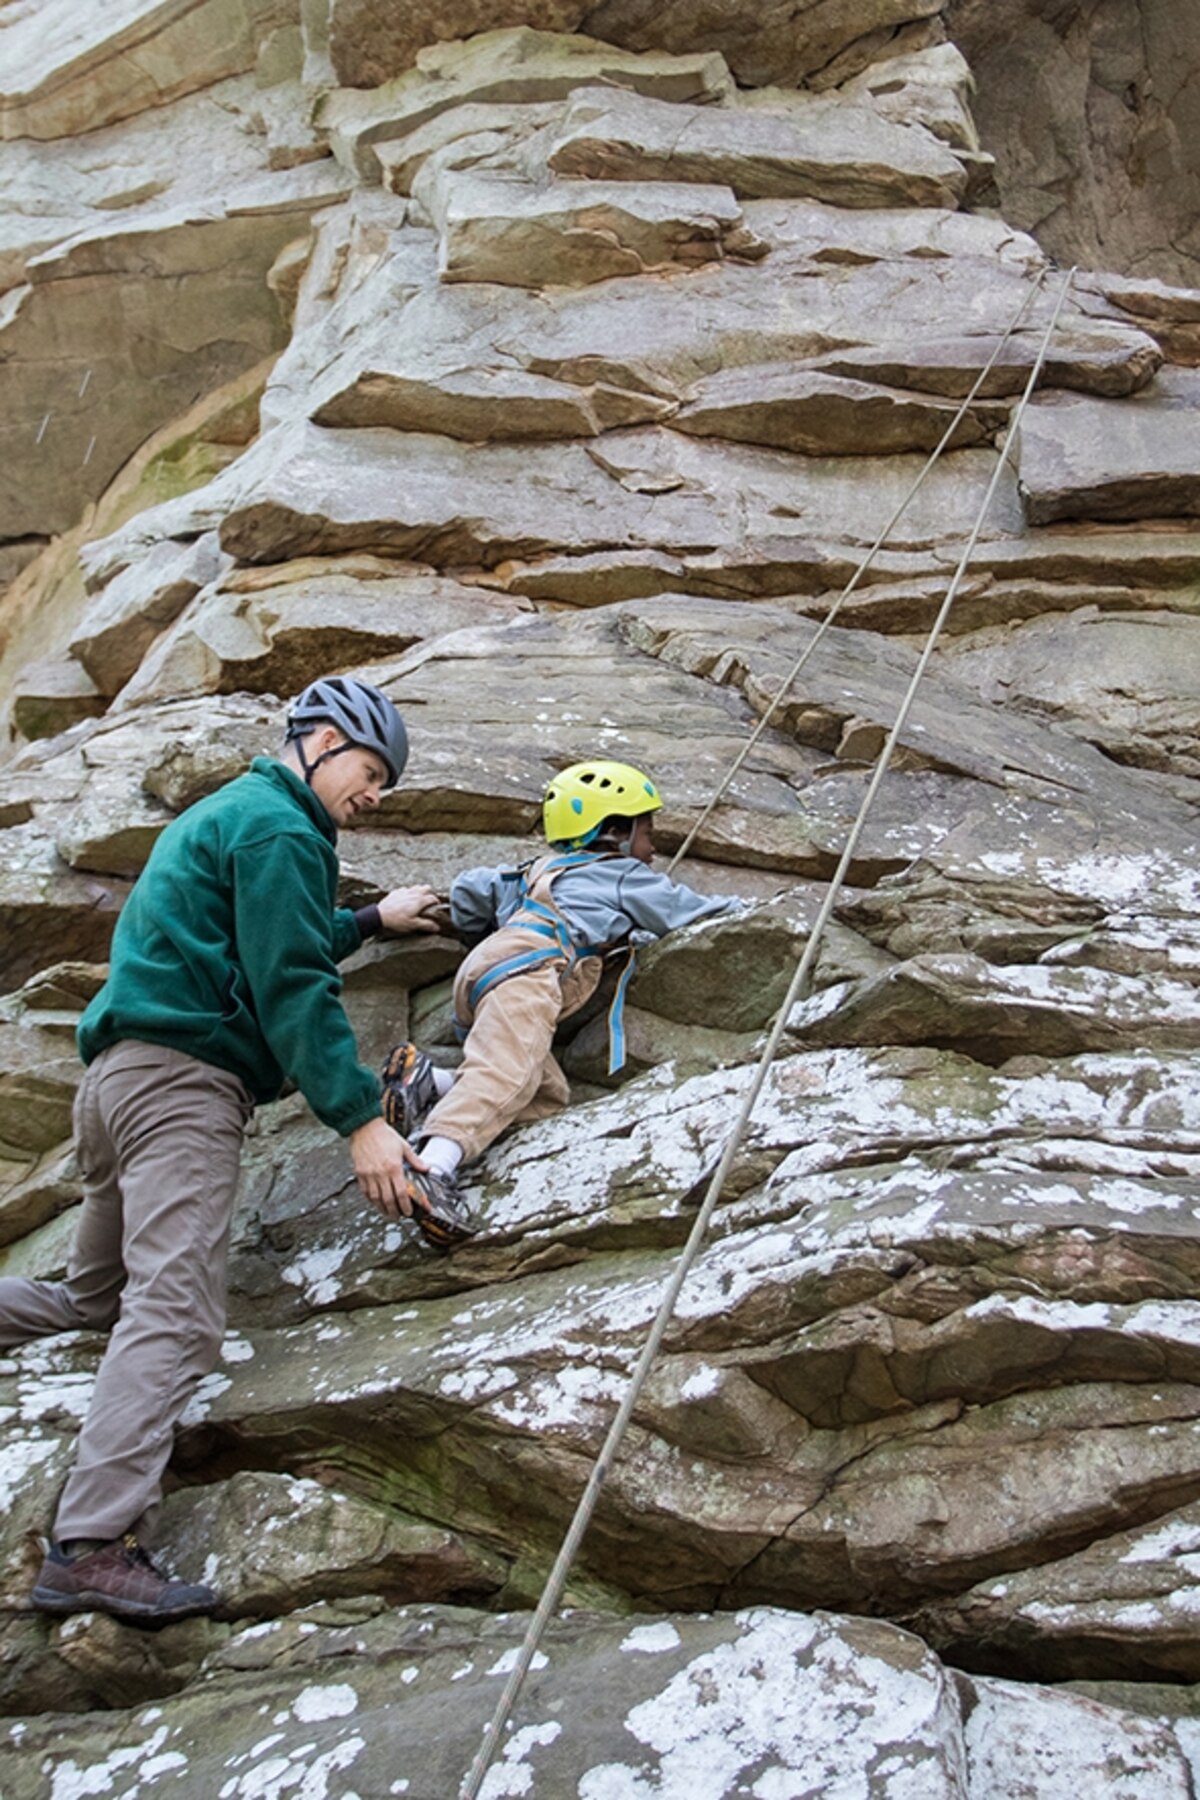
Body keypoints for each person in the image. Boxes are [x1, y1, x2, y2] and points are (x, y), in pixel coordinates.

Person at [0, 675, 455, 1626]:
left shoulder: (236, 813)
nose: (374, 796)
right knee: (177, 1312)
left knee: (96, 1297)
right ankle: (91, 1545)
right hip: (181, 1093)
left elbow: (260, 940)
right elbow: (289, 983)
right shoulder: (284, 829)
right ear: (323, 741)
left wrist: (372, 921)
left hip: (116, 1083)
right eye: (370, 772)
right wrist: (361, 1122)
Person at [383, 759, 740, 1234]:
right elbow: (688, 912)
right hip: (529, 974)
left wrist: (454, 921)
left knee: (544, 1094)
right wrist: (762, 908)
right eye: (647, 832)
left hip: (483, 973)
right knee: (505, 1075)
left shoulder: (533, 869)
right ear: (614, 831)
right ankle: (434, 1169)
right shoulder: (621, 874)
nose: (653, 850)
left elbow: (471, 890)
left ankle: (434, 1083)